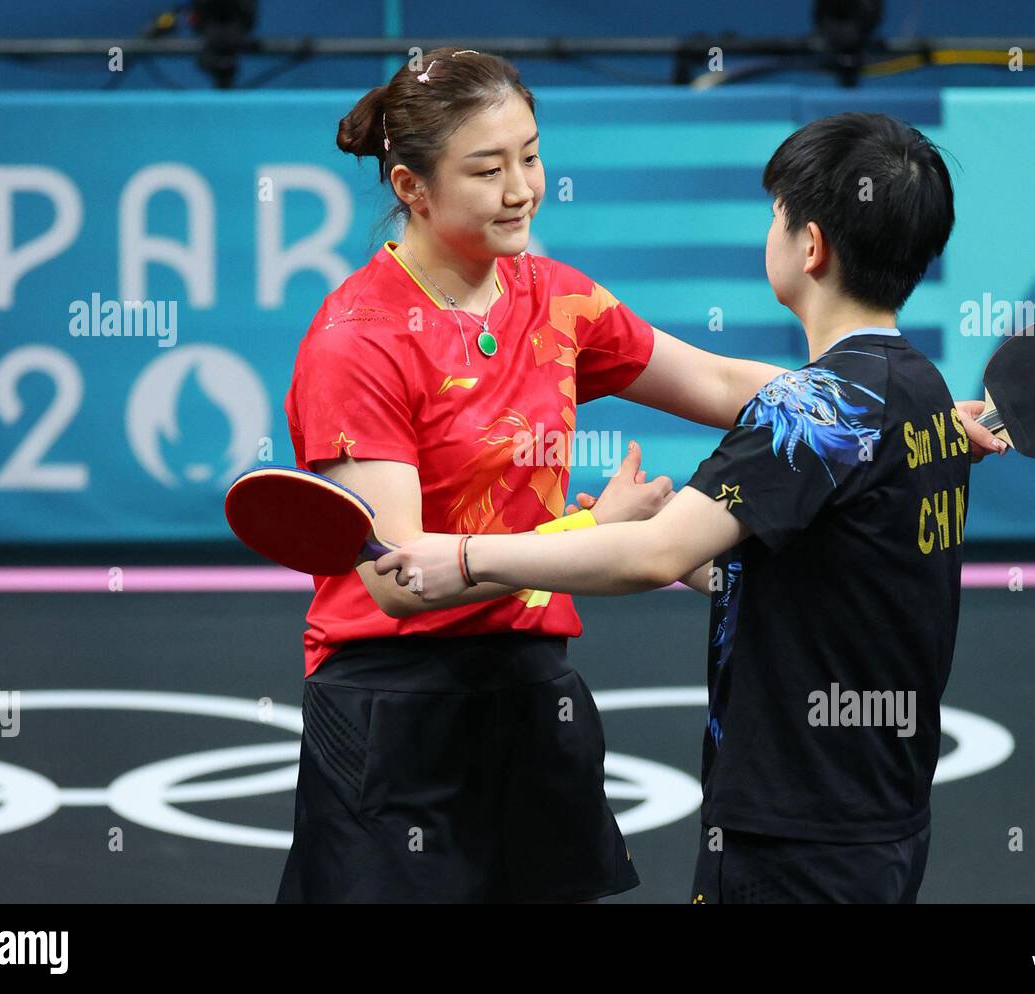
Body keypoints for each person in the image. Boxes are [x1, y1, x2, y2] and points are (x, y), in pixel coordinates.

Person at [377, 111, 976, 904]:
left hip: (793, 830)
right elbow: (814, 582)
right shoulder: (921, 393)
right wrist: (637, 539)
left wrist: (462, 556)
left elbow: (657, 553)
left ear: (810, 247)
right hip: (884, 814)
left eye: (777, 215)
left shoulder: (811, 410)